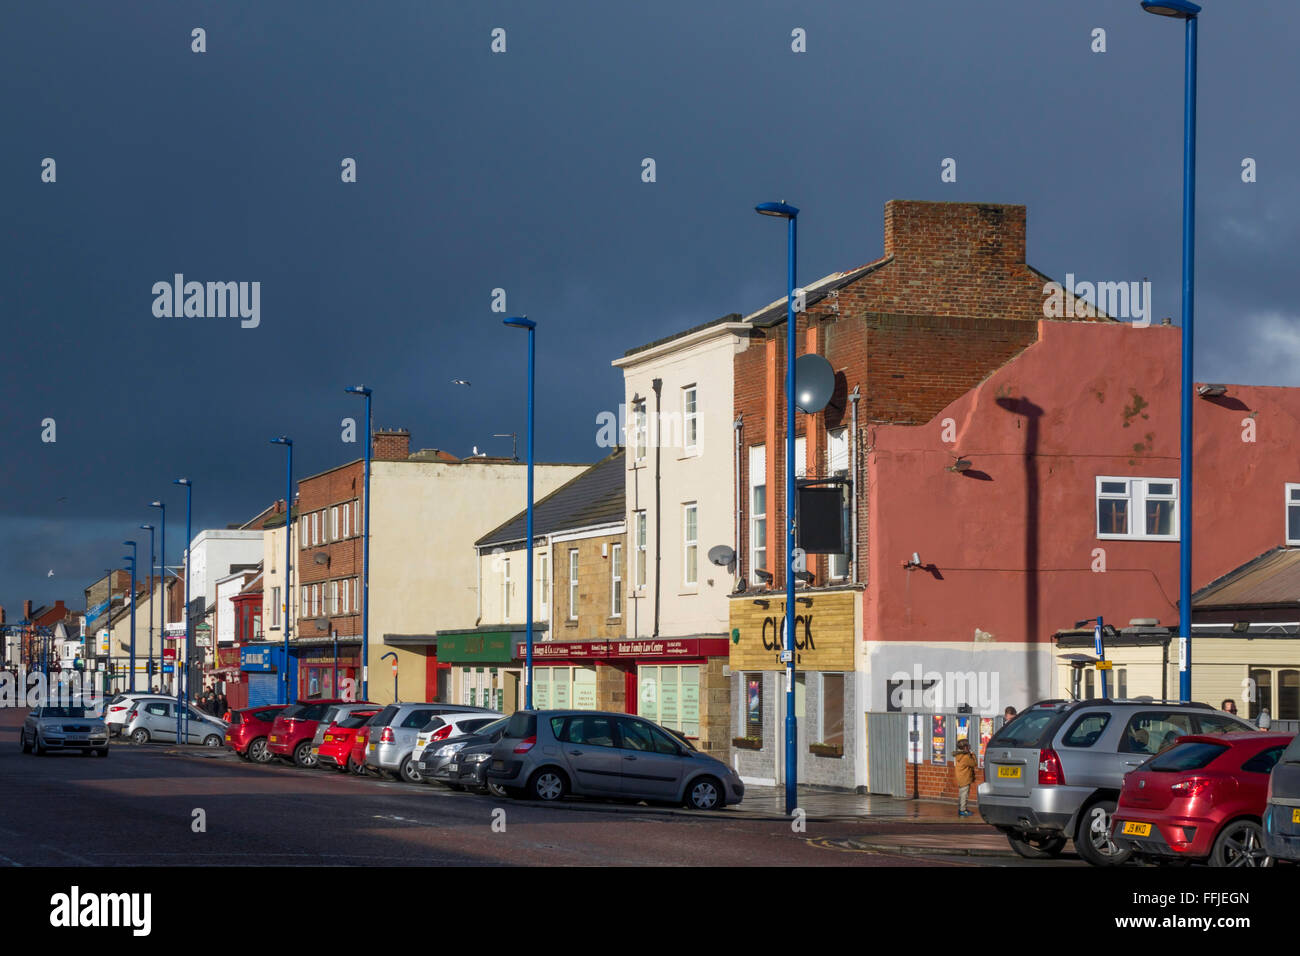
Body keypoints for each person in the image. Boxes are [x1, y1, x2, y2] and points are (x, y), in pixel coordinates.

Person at [954, 739, 977, 817]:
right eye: (968, 745)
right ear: (965, 747)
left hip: (960, 777)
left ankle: (961, 808)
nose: (969, 746)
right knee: (964, 795)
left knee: (961, 794)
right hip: (965, 778)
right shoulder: (966, 757)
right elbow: (974, 763)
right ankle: (962, 810)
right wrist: (973, 754)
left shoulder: (959, 755)